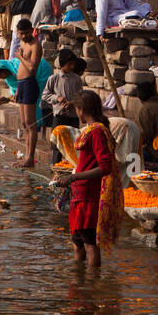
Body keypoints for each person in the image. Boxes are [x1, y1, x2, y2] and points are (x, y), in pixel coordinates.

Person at [55, 90, 121, 268]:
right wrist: (70, 178)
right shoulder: (93, 130)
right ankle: (79, 284)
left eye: (77, 109)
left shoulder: (97, 132)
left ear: (81, 109)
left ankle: (92, 287)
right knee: (77, 244)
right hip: (80, 194)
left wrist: (74, 177)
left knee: (90, 244)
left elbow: (105, 167)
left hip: (89, 197)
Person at [13, 18, 42, 167]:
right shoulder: (22, 43)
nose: (23, 36)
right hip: (21, 84)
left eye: (26, 33)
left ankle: (30, 158)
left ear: (31, 30)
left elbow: (31, 69)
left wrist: (20, 57)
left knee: (31, 124)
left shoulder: (36, 46)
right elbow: (21, 70)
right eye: (21, 33)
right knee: (24, 123)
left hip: (30, 84)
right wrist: (17, 89)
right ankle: (26, 156)